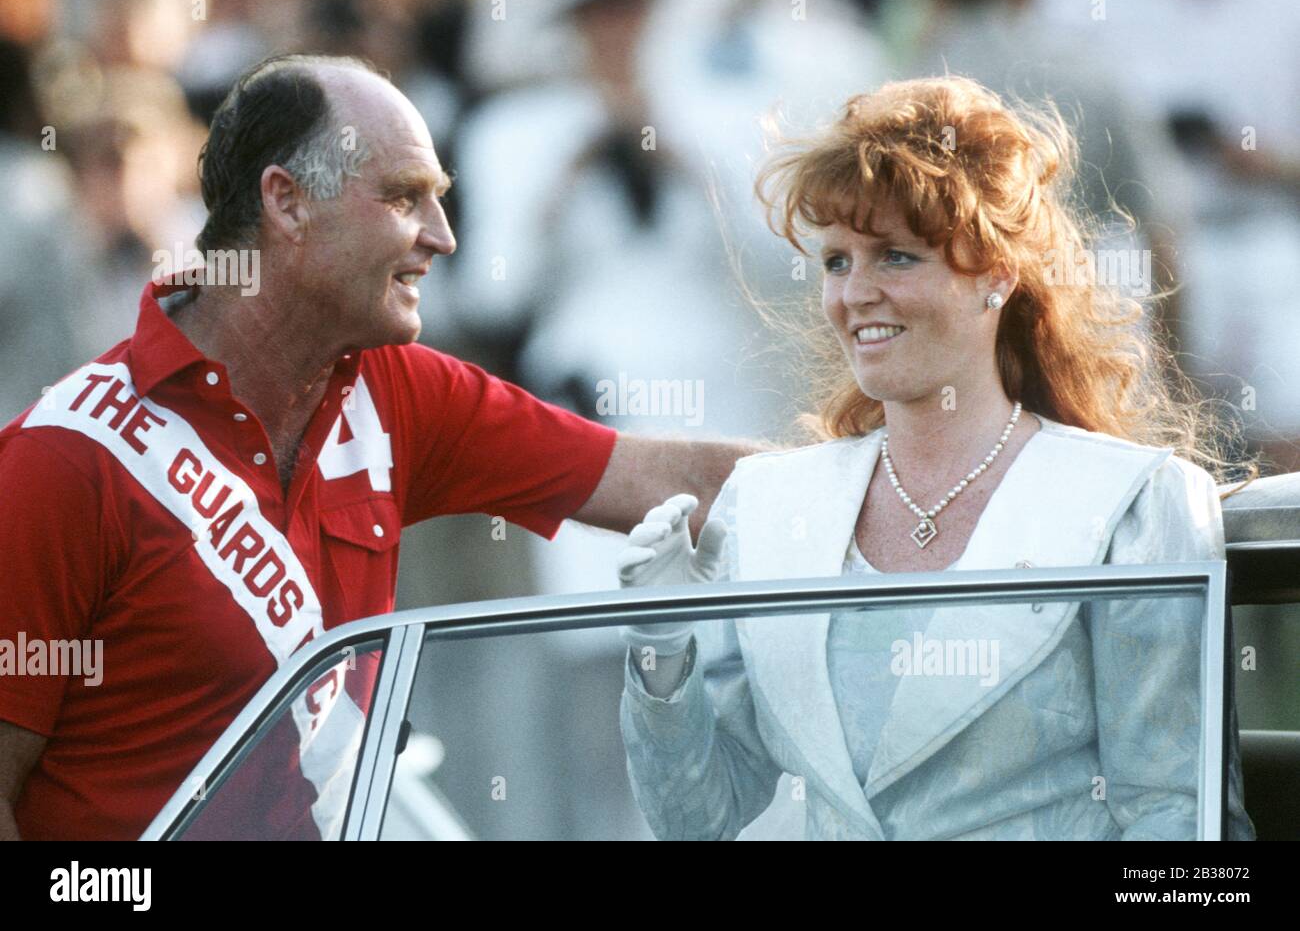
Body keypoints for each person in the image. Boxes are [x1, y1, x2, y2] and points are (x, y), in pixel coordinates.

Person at [0, 54, 757, 840]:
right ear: (287, 203)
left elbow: (670, 480)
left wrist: (881, 466)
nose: (444, 238)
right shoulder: (60, 461)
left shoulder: (402, 392)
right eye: (404, 197)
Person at [616, 76, 1257, 840]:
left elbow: (1175, 826)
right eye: (836, 262)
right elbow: (698, 819)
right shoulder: (764, 505)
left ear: (997, 274)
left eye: (895, 258)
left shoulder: (1132, 504)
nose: (855, 295)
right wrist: (662, 646)